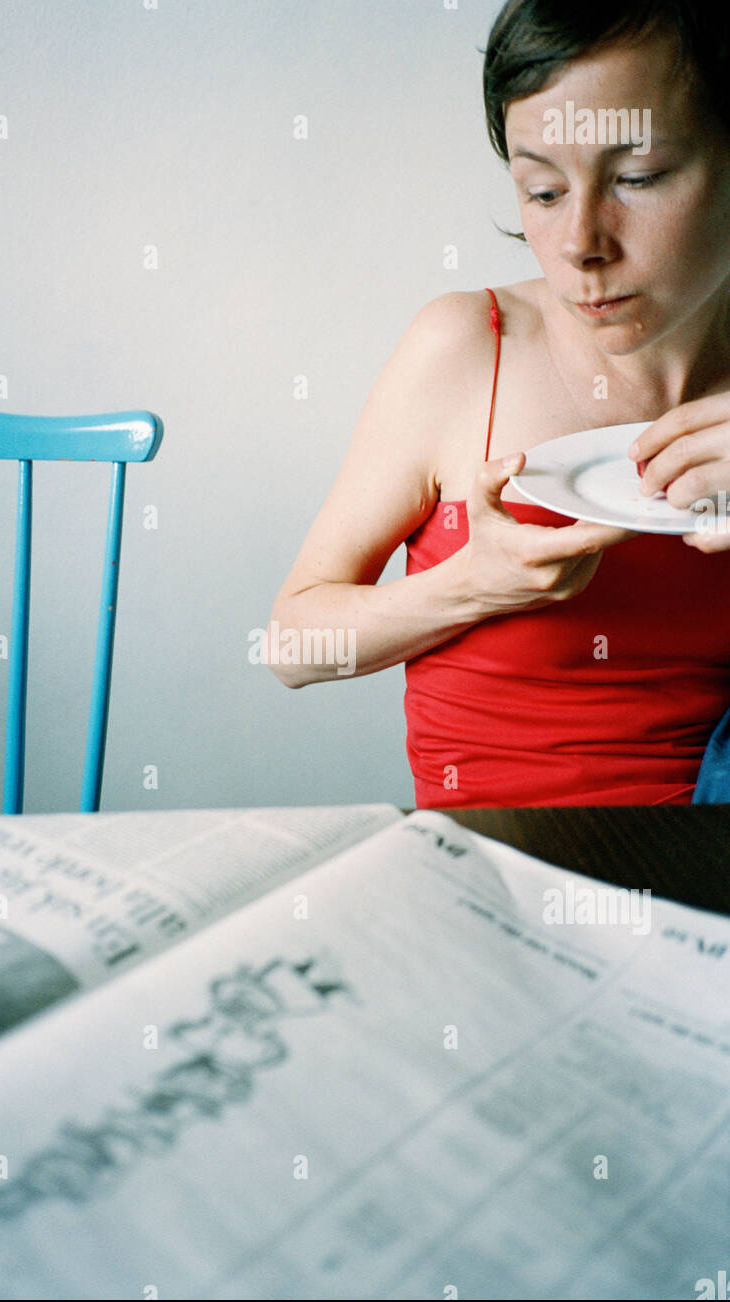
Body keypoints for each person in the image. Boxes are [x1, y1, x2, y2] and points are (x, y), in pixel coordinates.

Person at [267, 0, 730, 808]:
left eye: (638, 178)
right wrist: (474, 586)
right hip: (495, 873)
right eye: (544, 191)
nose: (584, 243)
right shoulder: (465, 348)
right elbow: (293, 646)